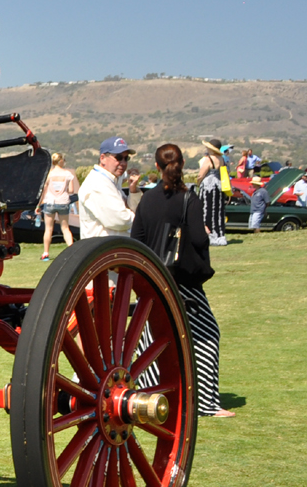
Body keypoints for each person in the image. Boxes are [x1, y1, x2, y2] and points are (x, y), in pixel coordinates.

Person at [131, 143, 232, 417]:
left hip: (153, 279)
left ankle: (150, 398)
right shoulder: (189, 199)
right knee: (206, 335)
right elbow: (199, 239)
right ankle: (205, 403)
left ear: (157, 167)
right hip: (183, 282)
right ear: (183, 164)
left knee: (152, 339)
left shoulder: (147, 200)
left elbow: (135, 240)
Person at [77, 136, 139, 239]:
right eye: (118, 157)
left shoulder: (111, 180)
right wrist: (140, 218)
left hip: (111, 248)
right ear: (103, 158)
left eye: (126, 158)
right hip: (101, 250)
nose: (123, 163)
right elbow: (120, 220)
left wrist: (133, 190)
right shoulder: (97, 183)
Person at [37, 151, 79, 260]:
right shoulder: (67, 174)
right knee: (65, 228)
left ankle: (45, 253)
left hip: (50, 202)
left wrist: (38, 205)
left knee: (48, 229)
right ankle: (72, 250)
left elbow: (44, 190)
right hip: (63, 202)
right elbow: (71, 190)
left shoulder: (49, 174)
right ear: (61, 161)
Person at [195, 137, 229, 246]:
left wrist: (198, 182)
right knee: (217, 210)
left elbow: (201, 174)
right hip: (219, 185)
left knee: (206, 209)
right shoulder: (221, 159)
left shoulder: (208, 159)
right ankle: (218, 234)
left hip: (208, 186)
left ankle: (208, 233)